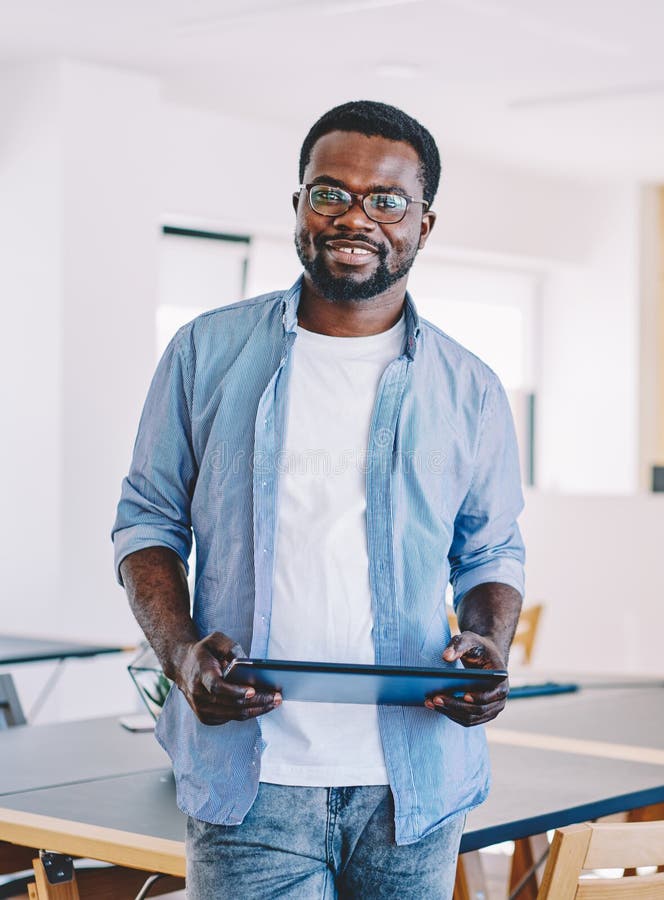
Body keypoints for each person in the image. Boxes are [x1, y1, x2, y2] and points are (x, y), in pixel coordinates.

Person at [112, 99, 525, 899]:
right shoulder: (206, 351)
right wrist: (181, 653)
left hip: (416, 785)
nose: (355, 217)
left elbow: (491, 550)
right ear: (299, 206)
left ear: (424, 226)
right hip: (250, 785)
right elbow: (146, 523)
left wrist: (487, 643)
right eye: (330, 192)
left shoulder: (470, 388)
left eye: (387, 200)